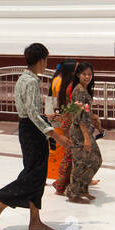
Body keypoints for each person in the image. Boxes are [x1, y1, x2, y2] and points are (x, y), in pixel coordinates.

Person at [0, 43, 71, 230]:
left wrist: (45, 118)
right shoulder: (32, 82)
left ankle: (35, 221)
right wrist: (56, 135)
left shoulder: (22, 79)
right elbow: (33, 114)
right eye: (46, 60)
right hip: (33, 132)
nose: (46, 64)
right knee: (33, 175)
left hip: (27, 128)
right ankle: (0, 202)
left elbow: (29, 112)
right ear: (41, 60)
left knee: (37, 174)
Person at [65, 62, 103, 204]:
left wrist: (94, 119)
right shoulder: (79, 91)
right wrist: (87, 137)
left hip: (84, 129)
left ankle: (82, 188)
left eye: (89, 74)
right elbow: (79, 116)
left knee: (94, 160)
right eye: (84, 74)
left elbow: (85, 111)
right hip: (79, 131)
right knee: (81, 162)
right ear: (78, 75)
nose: (87, 76)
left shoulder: (84, 89)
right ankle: (73, 193)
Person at [51, 60, 77, 196]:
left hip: (65, 118)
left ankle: (65, 182)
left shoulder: (59, 81)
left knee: (68, 153)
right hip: (70, 120)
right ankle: (61, 183)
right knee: (68, 154)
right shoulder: (69, 86)